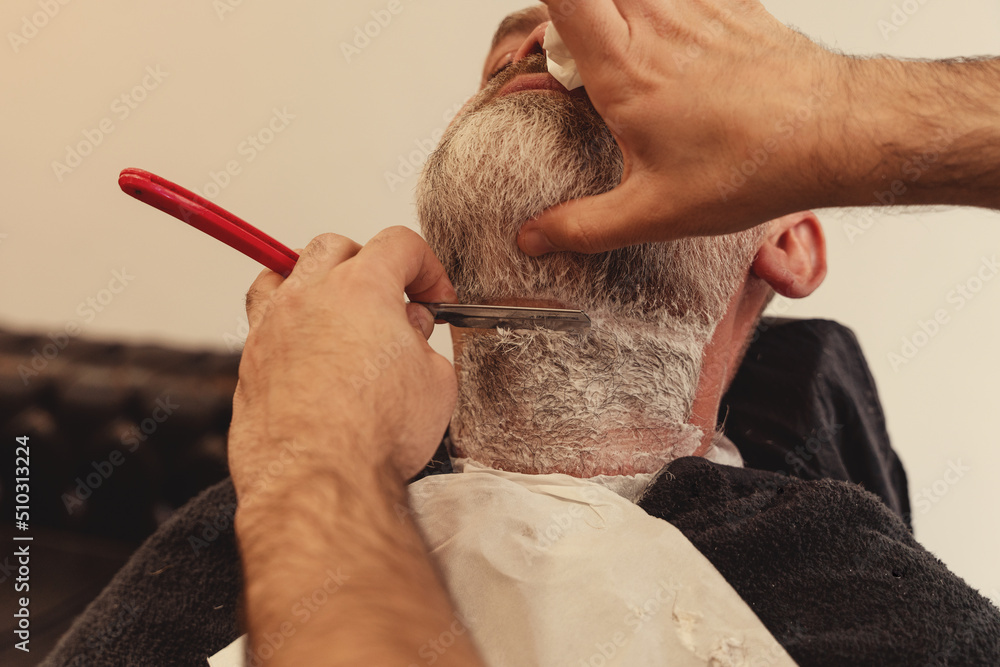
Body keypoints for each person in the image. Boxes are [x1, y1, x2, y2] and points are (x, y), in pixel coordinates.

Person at [41, 2, 1000, 666]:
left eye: (659, 67)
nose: (545, 41)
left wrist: (317, 463)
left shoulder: (886, 607)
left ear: (787, 242)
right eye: (506, 56)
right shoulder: (212, 547)